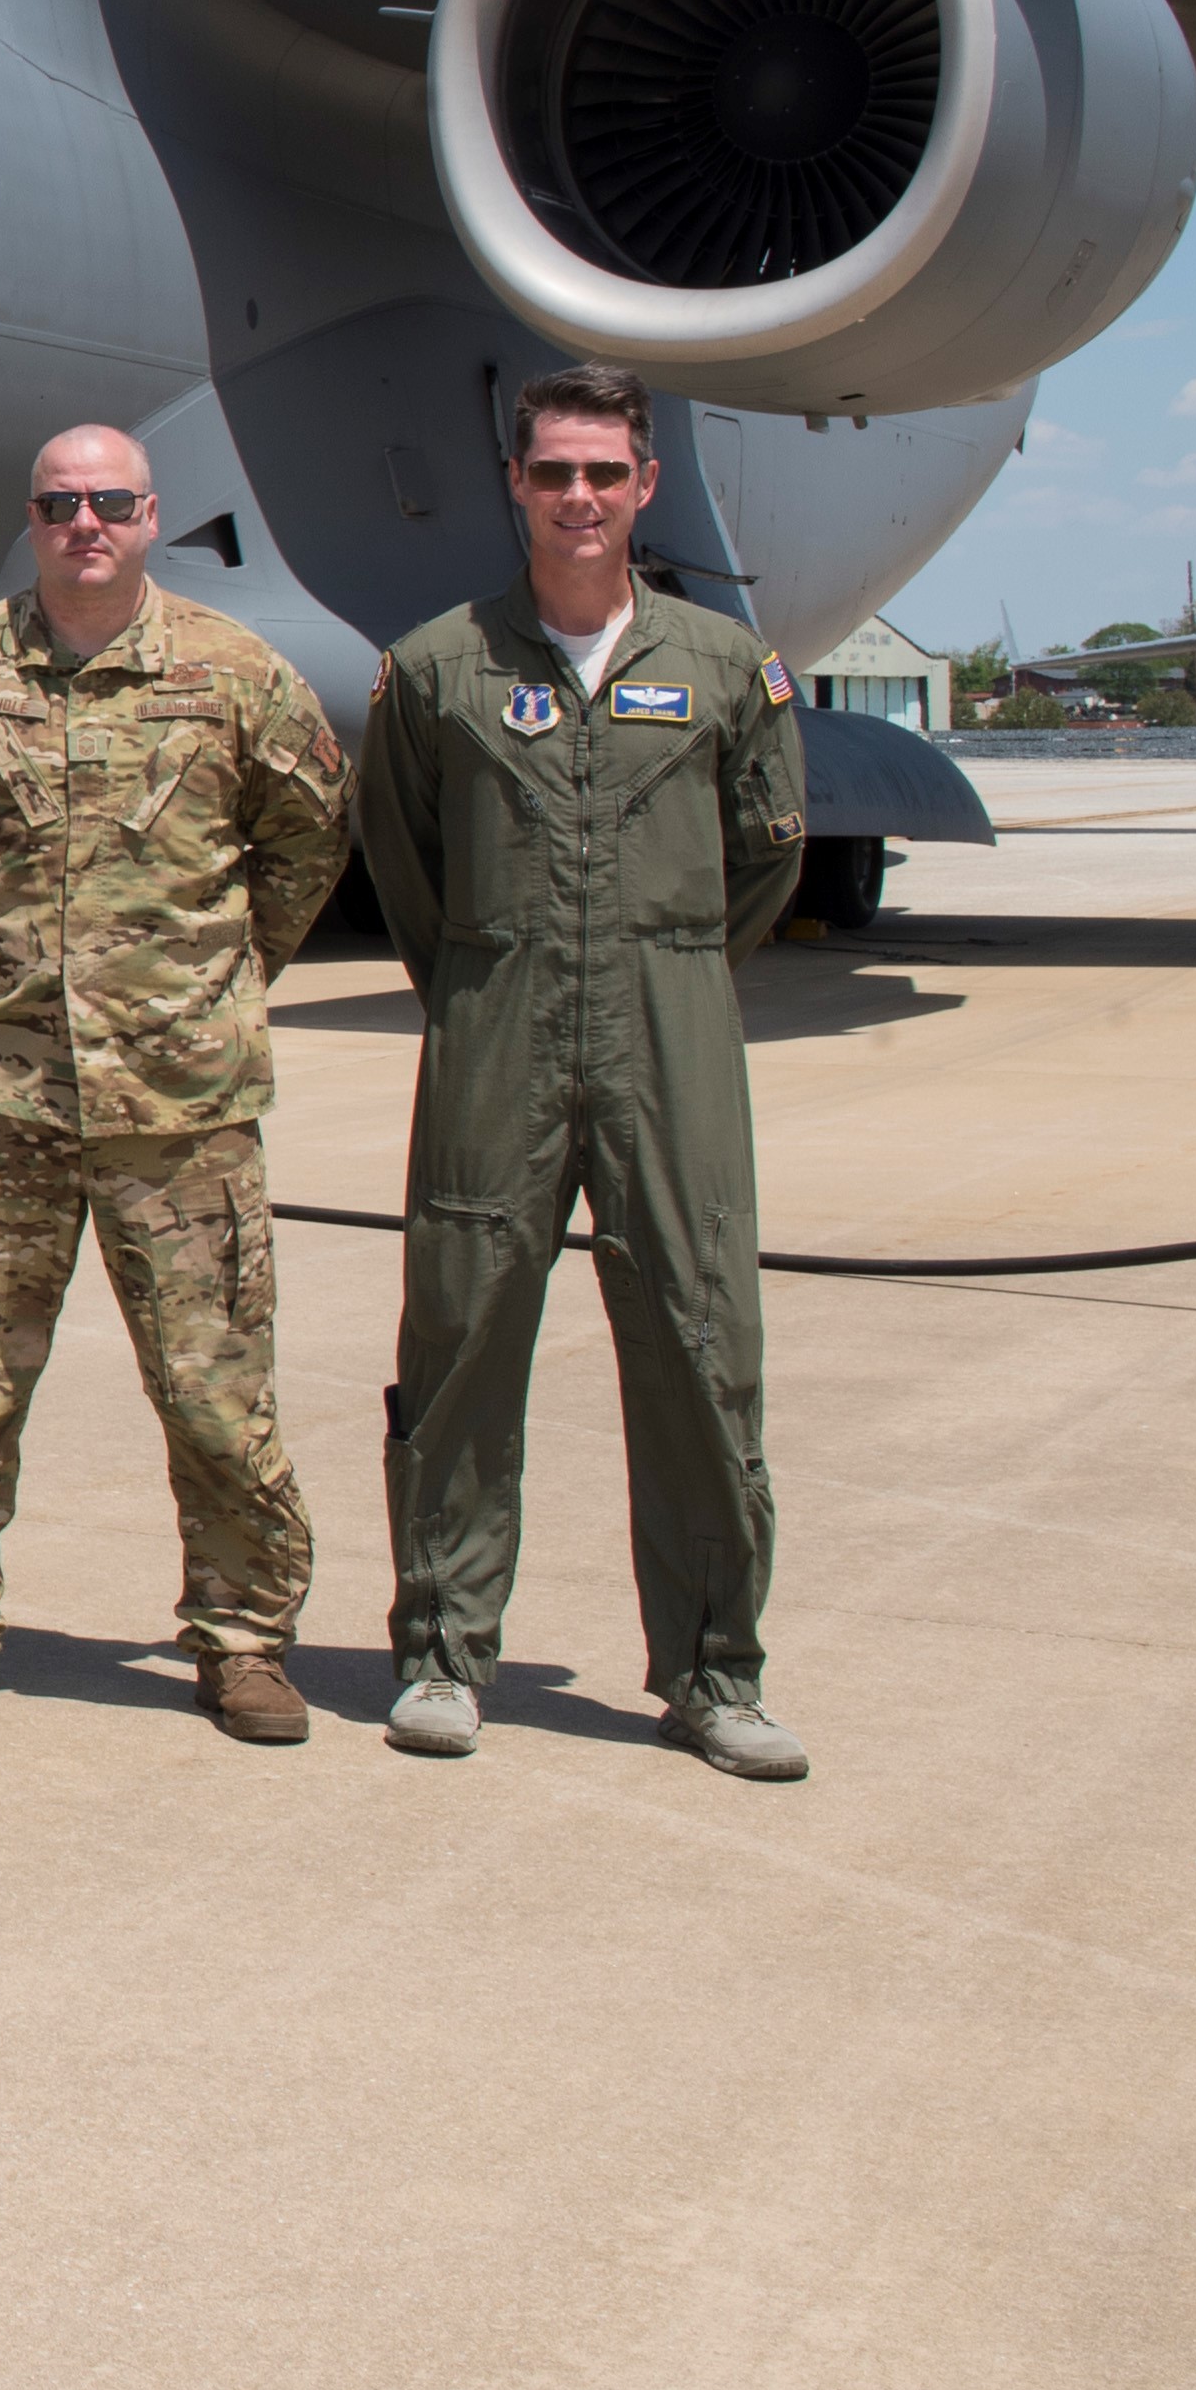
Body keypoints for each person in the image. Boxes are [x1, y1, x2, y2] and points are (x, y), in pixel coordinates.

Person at [355, 361, 812, 1778]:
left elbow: (767, 854)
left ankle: (712, 1671)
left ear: (645, 486)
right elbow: (404, 861)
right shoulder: (439, 667)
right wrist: (497, 977)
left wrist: (659, 970)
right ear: (513, 481)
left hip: (669, 1035)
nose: (578, 497)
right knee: (461, 1333)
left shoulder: (724, 666)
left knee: (698, 1339)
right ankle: (441, 1651)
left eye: (604, 472)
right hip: (495, 1029)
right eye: (552, 470)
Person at [0, 428, 348, 1740]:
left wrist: (216, 978)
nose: (87, 521)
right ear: (32, 517)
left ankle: (244, 1638)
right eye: (62, 502)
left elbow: (305, 840)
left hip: (179, 1105)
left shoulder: (235, 673)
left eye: (112, 503)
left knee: (214, 1385)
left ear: (150, 517)